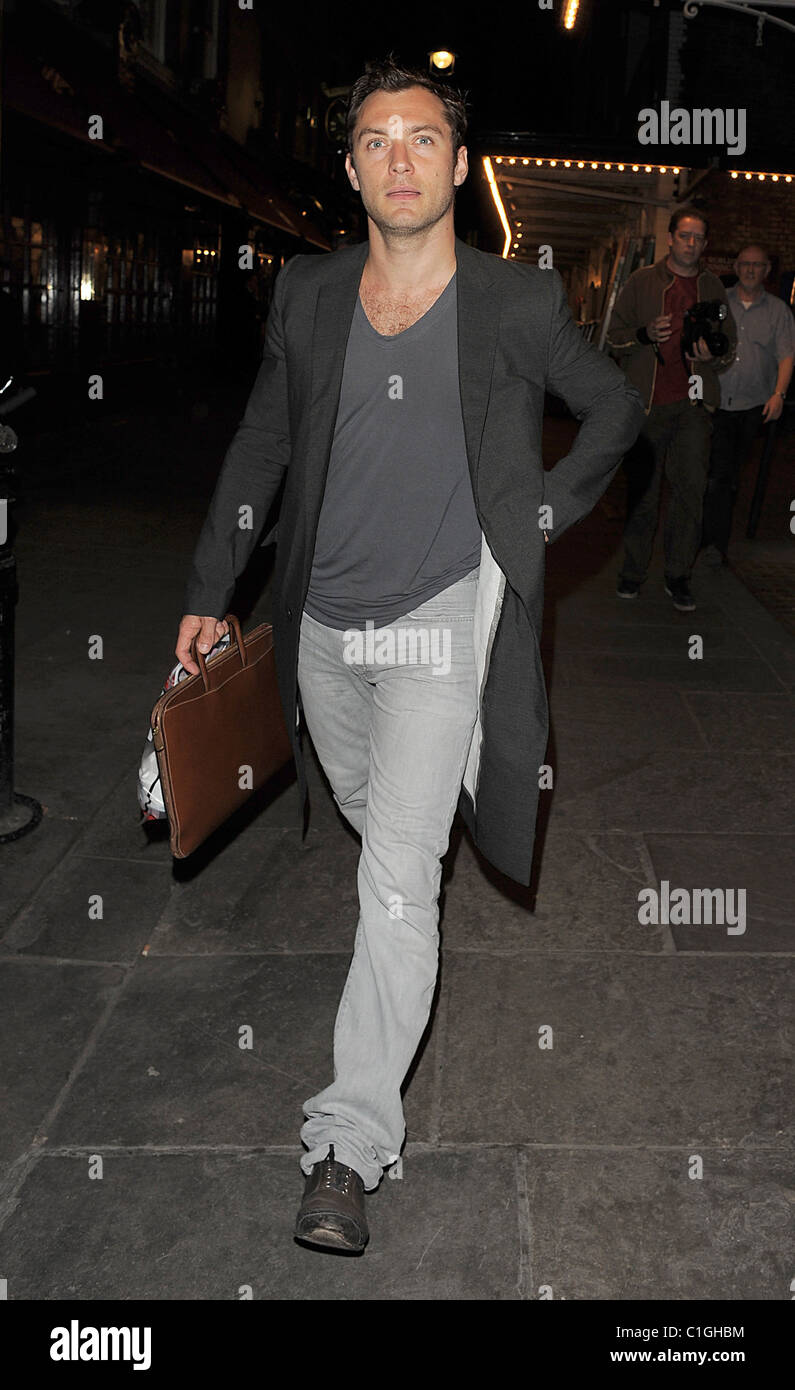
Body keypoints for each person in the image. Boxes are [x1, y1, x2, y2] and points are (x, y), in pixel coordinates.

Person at [174, 57, 644, 1254]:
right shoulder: (310, 295)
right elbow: (262, 446)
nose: (400, 158)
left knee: (392, 877)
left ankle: (347, 1138)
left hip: (442, 620)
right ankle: (411, 883)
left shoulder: (516, 304)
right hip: (323, 626)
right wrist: (208, 589)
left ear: (460, 161)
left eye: (422, 138)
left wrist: (539, 512)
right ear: (350, 170)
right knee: (376, 815)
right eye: (376, 140)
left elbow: (617, 409)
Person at [607, 208, 737, 611]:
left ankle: (678, 575)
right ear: (670, 238)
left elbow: (728, 345)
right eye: (684, 236)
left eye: (698, 238)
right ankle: (632, 571)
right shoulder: (643, 281)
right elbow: (614, 336)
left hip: (694, 407)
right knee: (643, 494)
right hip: (648, 405)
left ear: (705, 243)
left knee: (689, 494)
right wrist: (645, 334)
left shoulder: (713, 286)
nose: (691, 244)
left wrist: (711, 356)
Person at [701, 244, 794, 564]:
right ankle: (713, 544)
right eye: (745, 264)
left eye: (757, 265)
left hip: (753, 405)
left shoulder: (779, 311)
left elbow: (786, 355)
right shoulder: (719, 303)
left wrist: (778, 395)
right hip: (716, 403)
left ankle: (711, 531)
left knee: (728, 473)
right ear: (736, 267)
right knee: (717, 474)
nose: (750, 270)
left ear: (767, 271)